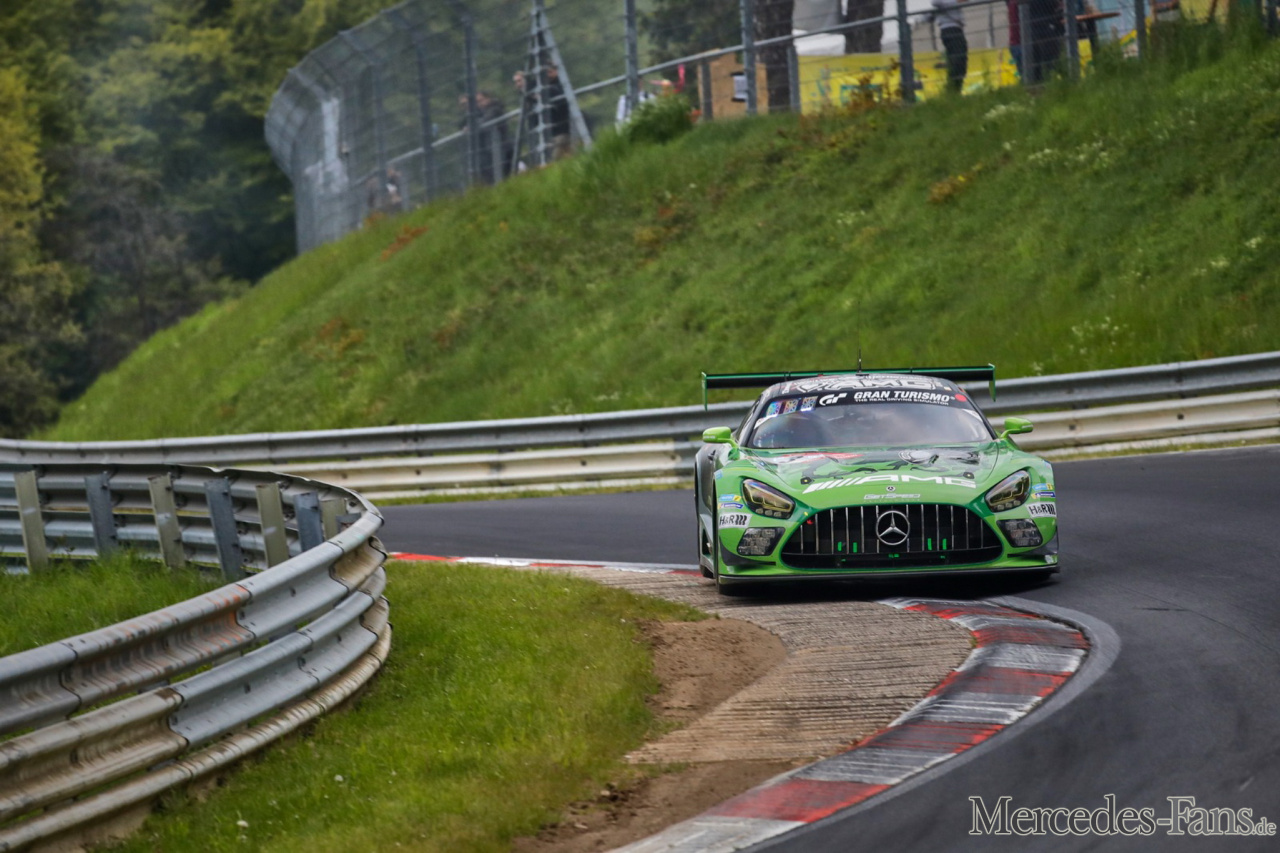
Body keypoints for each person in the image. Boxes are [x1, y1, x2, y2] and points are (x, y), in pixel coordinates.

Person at [929, 0, 969, 94]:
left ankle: (954, 89)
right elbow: (936, 2)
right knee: (958, 59)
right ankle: (953, 89)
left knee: (958, 59)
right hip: (951, 29)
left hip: (954, 28)